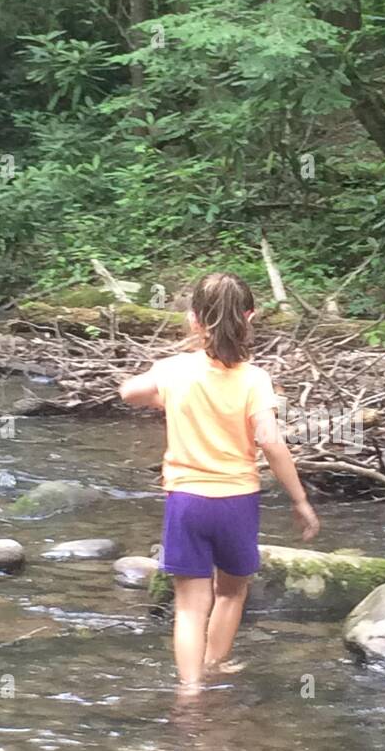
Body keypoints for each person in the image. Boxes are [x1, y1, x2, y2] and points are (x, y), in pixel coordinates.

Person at [120, 272, 319, 690]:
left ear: (194, 320)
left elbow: (128, 393)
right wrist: (299, 500)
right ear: (250, 317)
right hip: (237, 501)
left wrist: (167, 397)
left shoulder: (174, 369)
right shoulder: (255, 379)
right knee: (231, 593)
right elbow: (269, 441)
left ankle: (190, 690)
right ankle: (215, 664)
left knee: (190, 607)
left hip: (187, 500)